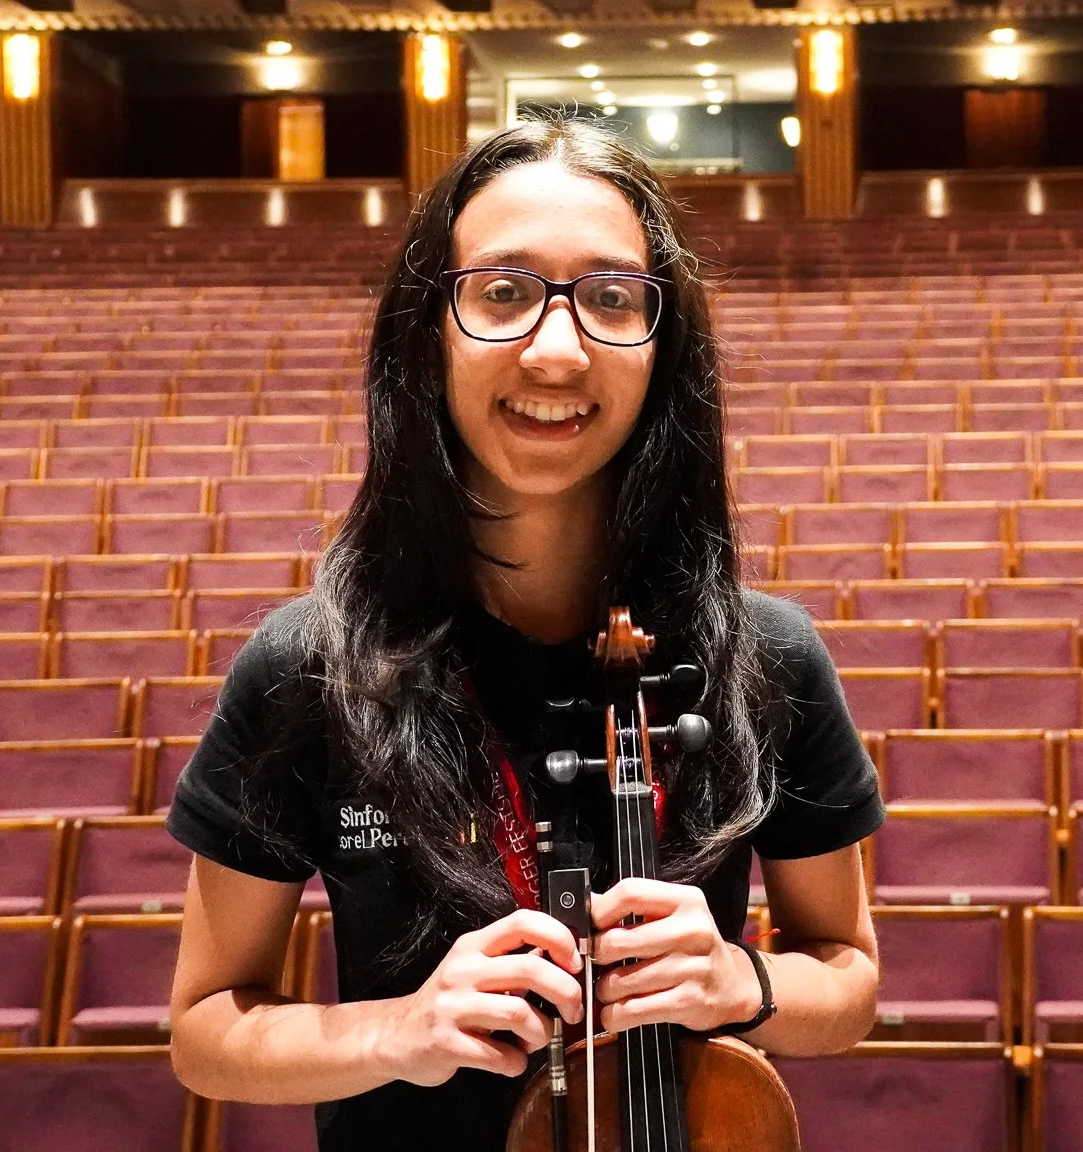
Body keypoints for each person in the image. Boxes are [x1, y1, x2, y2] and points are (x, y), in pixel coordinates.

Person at [165, 117, 884, 1151]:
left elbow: (847, 979)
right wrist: (397, 1032)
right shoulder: (304, 668)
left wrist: (741, 978)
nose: (555, 350)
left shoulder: (765, 659)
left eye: (609, 298)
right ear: (429, 329)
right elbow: (203, 1029)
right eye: (502, 293)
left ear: (660, 342)